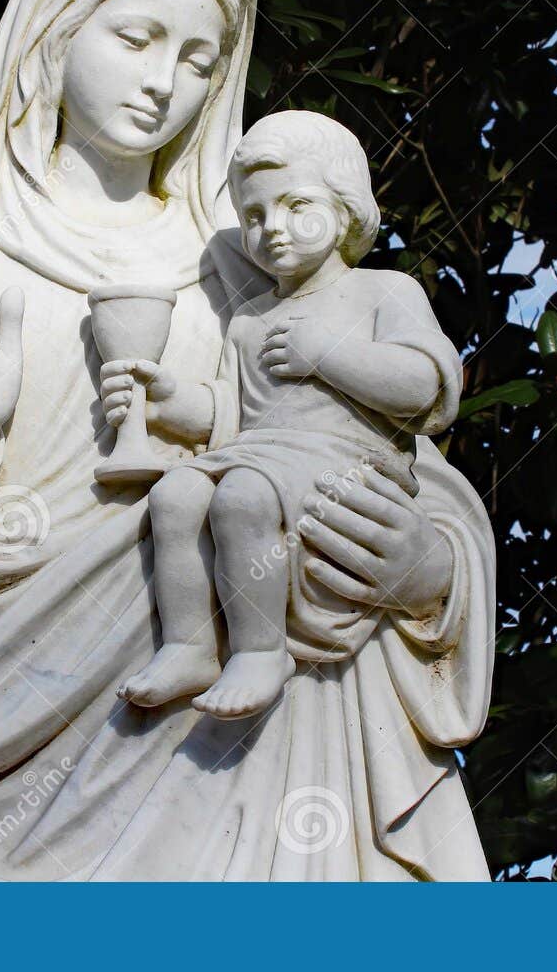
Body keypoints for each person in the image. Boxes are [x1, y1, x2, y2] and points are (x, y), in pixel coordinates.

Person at [0, 0, 496, 880]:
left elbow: (389, 451)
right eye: (135, 36)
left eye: (200, 60)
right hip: (20, 741)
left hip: (272, 746)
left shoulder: (250, 271)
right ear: (55, 27)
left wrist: (423, 568)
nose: (163, 82)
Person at [114, 111, 456, 720]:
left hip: (346, 467)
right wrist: (171, 402)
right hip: (264, 452)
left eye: (296, 205)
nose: (272, 229)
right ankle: (189, 646)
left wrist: (326, 355)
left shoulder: (384, 291)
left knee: (241, 497)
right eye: (253, 215)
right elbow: (237, 413)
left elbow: (421, 390)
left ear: (344, 204)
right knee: (177, 496)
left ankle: (260, 650)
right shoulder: (249, 322)